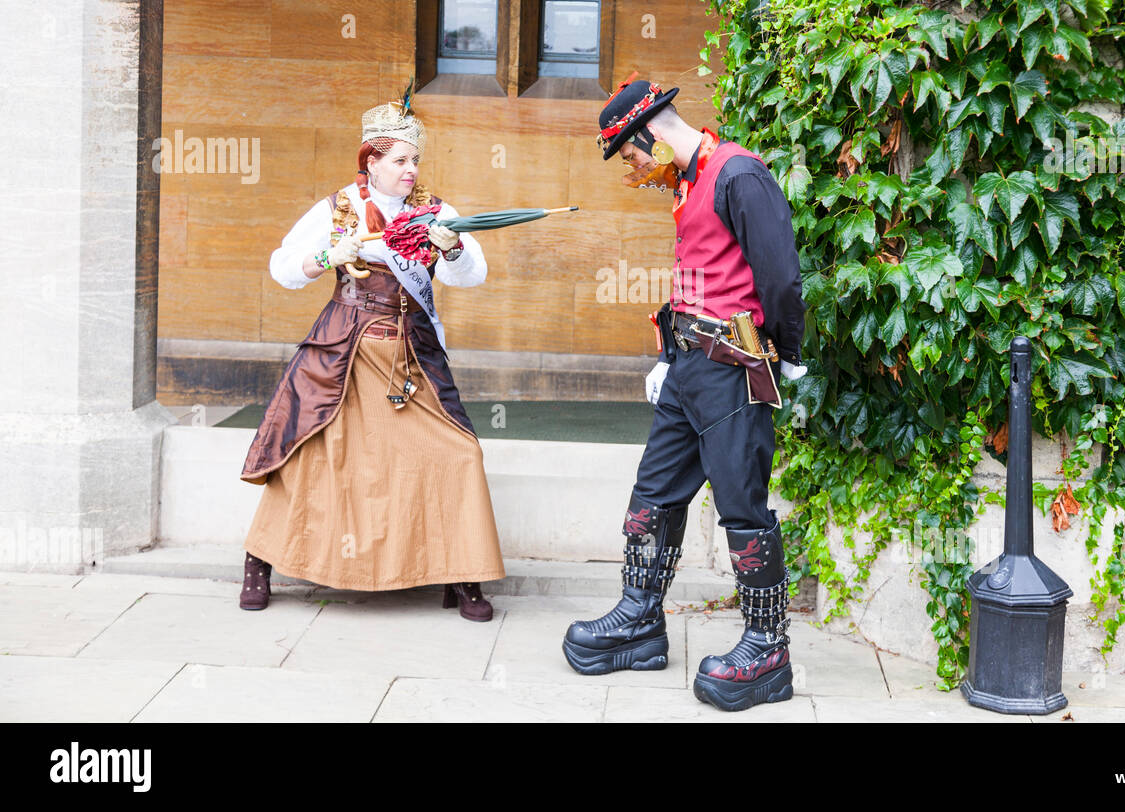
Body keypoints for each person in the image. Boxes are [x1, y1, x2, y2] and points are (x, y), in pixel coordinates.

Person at [562, 76, 807, 711]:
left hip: (733, 366)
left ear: (650, 132)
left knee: (742, 507)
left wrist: (790, 354)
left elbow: (779, 277)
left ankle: (767, 649)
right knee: (652, 498)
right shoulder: (692, 180)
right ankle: (641, 622)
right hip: (688, 367)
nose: (635, 169)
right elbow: (702, 273)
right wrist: (669, 355)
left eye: (632, 154)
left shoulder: (739, 175)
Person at [237, 95, 505, 621]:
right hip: (345, 352)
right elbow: (282, 267)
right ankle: (259, 562)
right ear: (371, 162)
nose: (411, 170)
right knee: (313, 457)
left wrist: (450, 248)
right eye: (400, 160)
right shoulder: (338, 208)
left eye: (415, 160)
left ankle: (463, 573)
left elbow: (470, 275)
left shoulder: (437, 211)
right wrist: (326, 257)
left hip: (412, 352)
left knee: (458, 454)